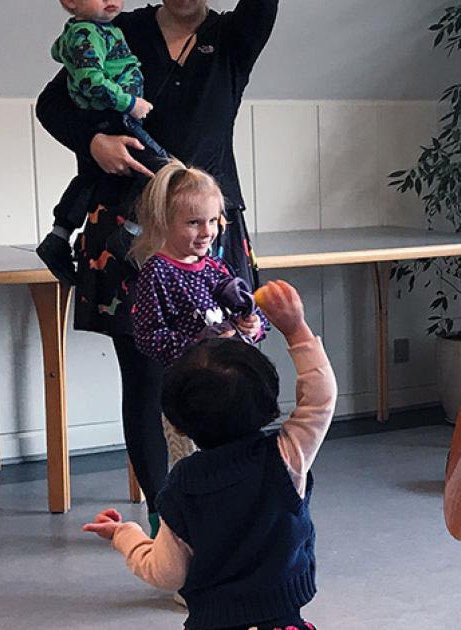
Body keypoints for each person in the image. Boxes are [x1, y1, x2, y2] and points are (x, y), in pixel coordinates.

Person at [35, 0, 278, 535]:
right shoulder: (120, 28)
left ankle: (224, 508)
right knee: (143, 378)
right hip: (127, 227)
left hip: (208, 228)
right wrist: (93, 140)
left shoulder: (233, 36)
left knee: (227, 371)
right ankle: (168, 524)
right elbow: (52, 106)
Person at [83, 279, 334, 630]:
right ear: (268, 400)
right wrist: (296, 330)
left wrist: (125, 535)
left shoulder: (183, 487)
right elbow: (320, 399)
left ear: (177, 424)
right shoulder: (284, 457)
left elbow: (166, 572)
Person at [130, 160, 267, 474]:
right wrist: (199, 343)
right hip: (189, 392)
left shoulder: (214, 266)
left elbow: (250, 312)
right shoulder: (158, 272)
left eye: (213, 221)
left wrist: (253, 324)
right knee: (194, 469)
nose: (207, 232)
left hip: (231, 390)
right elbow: (149, 337)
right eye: (193, 223)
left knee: (237, 466)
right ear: (164, 221)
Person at [36, 0, 170, 286]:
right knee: (163, 170)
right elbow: (91, 80)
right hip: (114, 115)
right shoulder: (86, 33)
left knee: (90, 177)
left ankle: (59, 234)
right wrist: (130, 102)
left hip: (109, 115)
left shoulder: (100, 29)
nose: (112, 0)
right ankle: (130, 234)